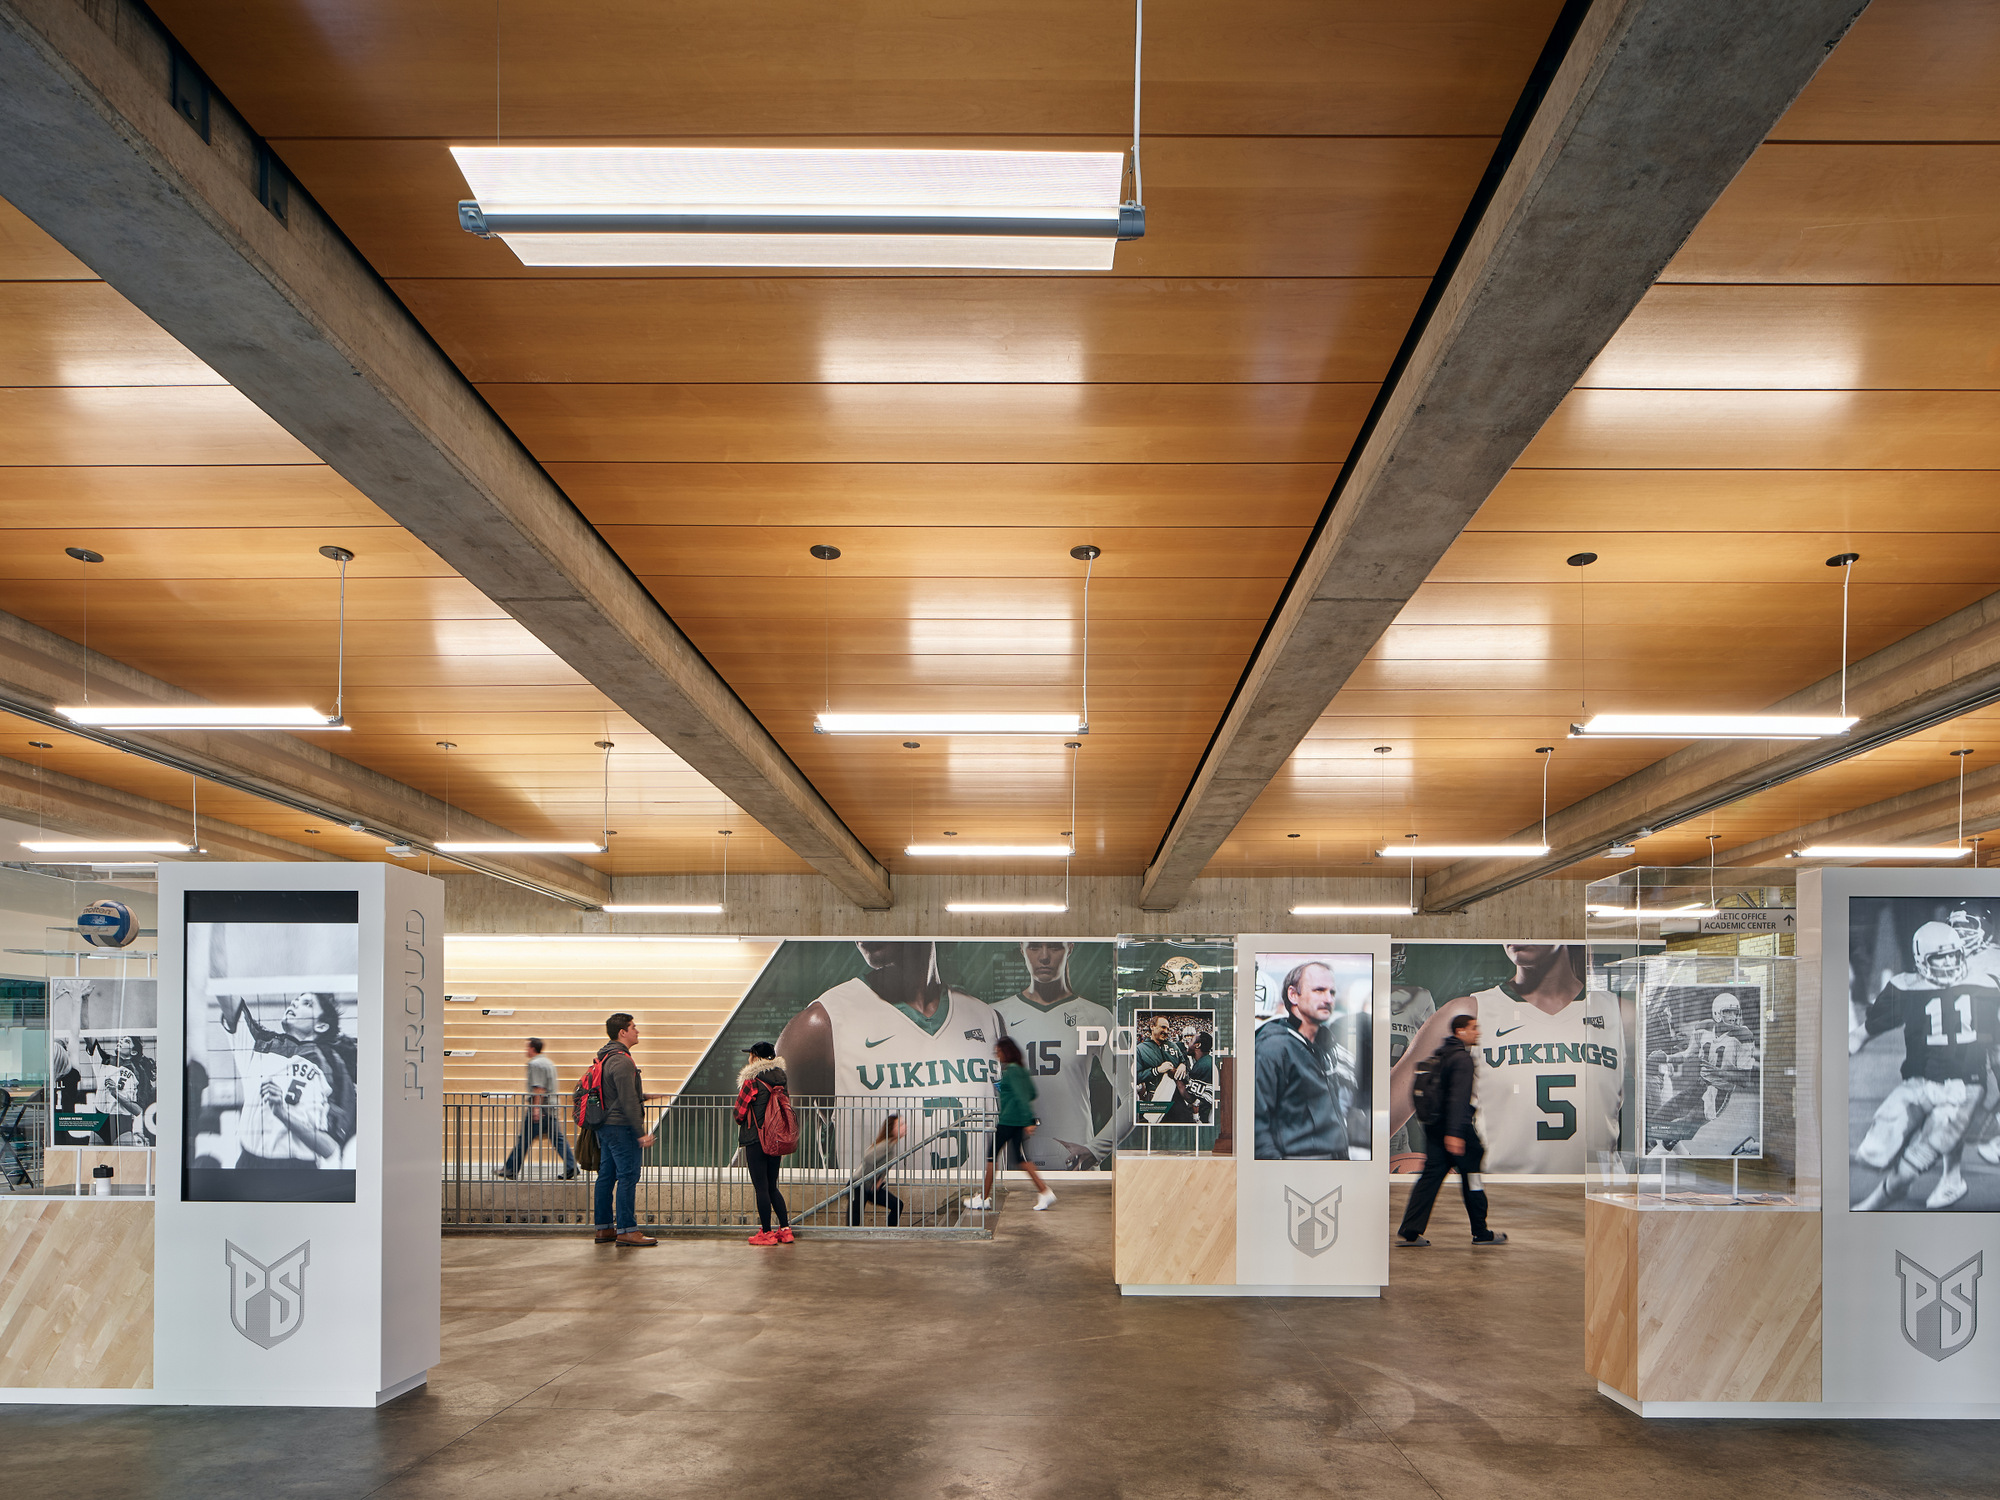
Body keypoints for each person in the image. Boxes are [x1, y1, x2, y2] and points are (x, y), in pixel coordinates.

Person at [1389, 943, 1622, 1174]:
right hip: (1505, 1202)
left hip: (1600, 1205)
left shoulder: (1619, 1013)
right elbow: (1380, 1119)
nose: (1518, 932)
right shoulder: (1467, 1014)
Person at [777, 940, 1005, 1175]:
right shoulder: (819, 1025)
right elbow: (754, 1155)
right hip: (877, 1208)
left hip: (979, 1208)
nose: (864, 930)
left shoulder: (986, 1018)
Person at [1852, 921, 2000, 1210]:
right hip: (1918, 1083)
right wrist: (1853, 1040)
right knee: (1874, 1150)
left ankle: (1875, 1202)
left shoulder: (1983, 987)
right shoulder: (1907, 988)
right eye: (1938, 957)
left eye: (1952, 956)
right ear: (1921, 959)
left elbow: (1995, 1047)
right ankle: (1943, 1179)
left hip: (1964, 1089)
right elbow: (1865, 1031)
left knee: (1916, 1160)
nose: (1947, 963)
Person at [989, 940, 1125, 1169]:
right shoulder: (995, 1014)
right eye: (1034, 947)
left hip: (1075, 1161)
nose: (1044, 957)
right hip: (1012, 1163)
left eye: (1054, 947)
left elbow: (1133, 1096)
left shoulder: (1097, 1017)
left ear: (1070, 947)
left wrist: (1096, 1149)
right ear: (1021, 948)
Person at [1396, 1013, 1507, 1247]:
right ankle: (1481, 1232)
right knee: (1473, 1178)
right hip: (1458, 1132)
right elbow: (1458, 1098)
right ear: (1460, 1031)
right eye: (1473, 1028)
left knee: (1430, 1178)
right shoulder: (1462, 1059)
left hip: (1436, 1128)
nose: (1477, 1032)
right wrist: (1455, 1134)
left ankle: (1410, 1232)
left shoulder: (1440, 1055)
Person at [219, 991, 356, 1169]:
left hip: (297, 1170)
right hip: (249, 1163)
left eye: (307, 1003)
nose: (294, 1004)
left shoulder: (332, 1066)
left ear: (321, 1026)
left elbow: (329, 1148)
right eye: (295, 1000)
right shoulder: (259, 1044)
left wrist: (283, 1114)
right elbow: (226, 994)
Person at [1254, 961, 1353, 1160]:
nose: (1328, 999)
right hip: (1295, 1170)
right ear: (1293, 995)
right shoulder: (1273, 1047)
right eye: (1319, 990)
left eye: (1332, 992)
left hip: (1332, 1167)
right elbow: (1258, 1123)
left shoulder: (1324, 1045)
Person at [592, 1012, 658, 1247]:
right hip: (621, 1128)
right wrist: (640, 1133)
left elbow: (616, 1093)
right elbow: (627, 1100)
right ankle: (627, 1230)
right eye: (633, 1027)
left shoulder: (606, 1057)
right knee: (628, 1176)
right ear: (623, 1032)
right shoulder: (621, 1060)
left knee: (607, 1176)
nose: (637, 1031)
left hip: (607, 1126)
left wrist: (644, 1096)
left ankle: (604, 1229)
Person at [968, 1036, 1056, 1211]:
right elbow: (1032, 1093)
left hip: (1009, 1121)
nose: (997, 1055)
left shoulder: (1012, 1071)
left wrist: (1029, 1120)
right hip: (1015, 1122)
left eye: (999, 1052)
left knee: (992, 1157)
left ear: (1006, 1052)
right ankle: (1044, 1192)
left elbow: (1023, 1097)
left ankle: (984, 1198)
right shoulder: (1022, 1071)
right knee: (1020, 1159)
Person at [736, 1041, 794, 1244]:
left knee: (760, 1187)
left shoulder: (751, 1080)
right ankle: (785, 1230)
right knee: (772, 1186)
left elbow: (739, 1113)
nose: (748, 1058)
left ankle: (767, 1233)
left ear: (756, 1057)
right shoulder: (781, 1079)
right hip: (776, 1139)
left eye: (750, 1055)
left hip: (756, 1139)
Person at [499, 1037, 577, 1181]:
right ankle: (571, 1166)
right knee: (557, 1139)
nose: (526, 1050)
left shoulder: (535, 1063)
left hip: (541, 1110)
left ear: (533, 1048)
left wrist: (535, 1109)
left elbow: (539, 1088)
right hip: (551, 1108)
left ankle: (510, 1169)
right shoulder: (548, 1062)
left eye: (527, 1047)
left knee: (524, 1140)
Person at [847, 1113, 907, 1227]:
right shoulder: (885, 1145)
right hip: (858, 1185)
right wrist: (872, 1178)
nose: (905, 1127)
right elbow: (867, 1157)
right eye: (900, 1125)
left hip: (870, 1187)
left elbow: (883, 1166)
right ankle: (847, 1243)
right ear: (892, 1129)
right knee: (853, 1222)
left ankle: (889, 1234)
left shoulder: (891, 1145)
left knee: (897, 1205)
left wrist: (879, 1180)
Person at [1136, 1014, 1190, 1122]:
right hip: (1155, 1097)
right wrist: (1157, 1070)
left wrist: (1183, 1065)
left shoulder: (1173, 1046)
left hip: (1177, 1098)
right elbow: (1136, 1076)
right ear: (1152, 1026)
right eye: (1163, 1027)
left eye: (1168, 1029)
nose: (1166, 1031)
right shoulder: (1140, 1049)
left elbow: (1184, 1062)